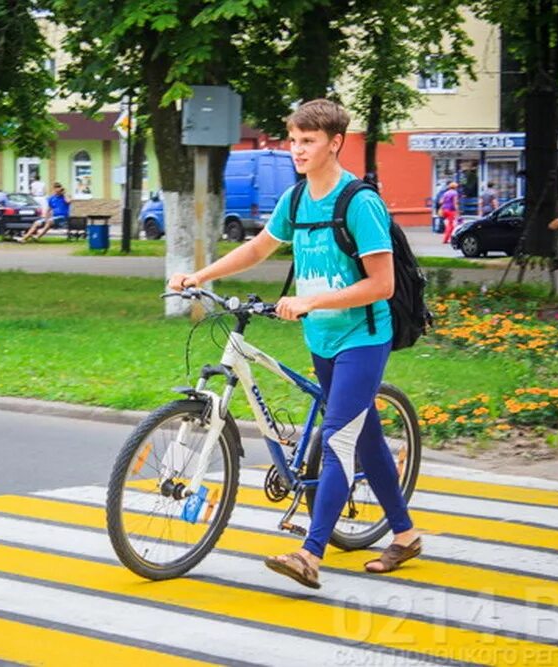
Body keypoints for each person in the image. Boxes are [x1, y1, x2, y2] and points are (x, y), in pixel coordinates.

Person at [168, 98, 420, 590]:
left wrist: (312, 301)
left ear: (335, 143)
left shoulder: (359, 203)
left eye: (308, 141)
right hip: (322, 338)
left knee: (336, 439)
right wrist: (200, 275)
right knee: (362, 437)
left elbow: (382, 285)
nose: (297, 150)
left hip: (363, 336)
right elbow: (259, 247)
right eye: (294, 140)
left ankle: (310, 552)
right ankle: (406, 534)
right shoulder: (297, 198)